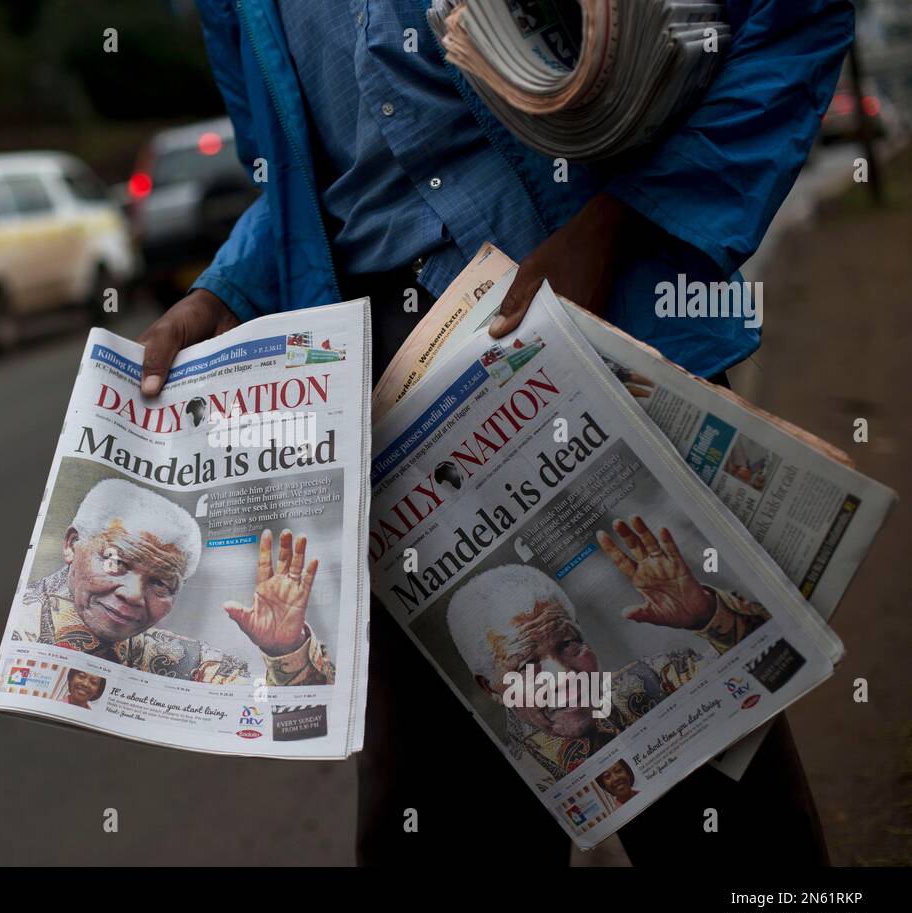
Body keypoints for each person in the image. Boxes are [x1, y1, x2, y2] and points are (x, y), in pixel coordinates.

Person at [137, 0, 847, 865]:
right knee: (438, 816)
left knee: (711, 786)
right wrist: (224, 294)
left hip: (597, 335)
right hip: (390, 416)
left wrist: (616, 223)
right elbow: (298, 183)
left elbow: (791, 20)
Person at [446, 516, 770, 789]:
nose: (563, 677)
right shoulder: (526, 777)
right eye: (527, 666)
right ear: (491, 687)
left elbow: (773, 672)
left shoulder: (657, 678)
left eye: (567, 644)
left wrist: (709, 616)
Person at [17, 478, 334, 686]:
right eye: (115, 562)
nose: (132, 595)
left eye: (160, 584)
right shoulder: (17, 625)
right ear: (72, 544)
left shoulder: (179, 659)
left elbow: (297, 719)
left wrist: (286, 649)